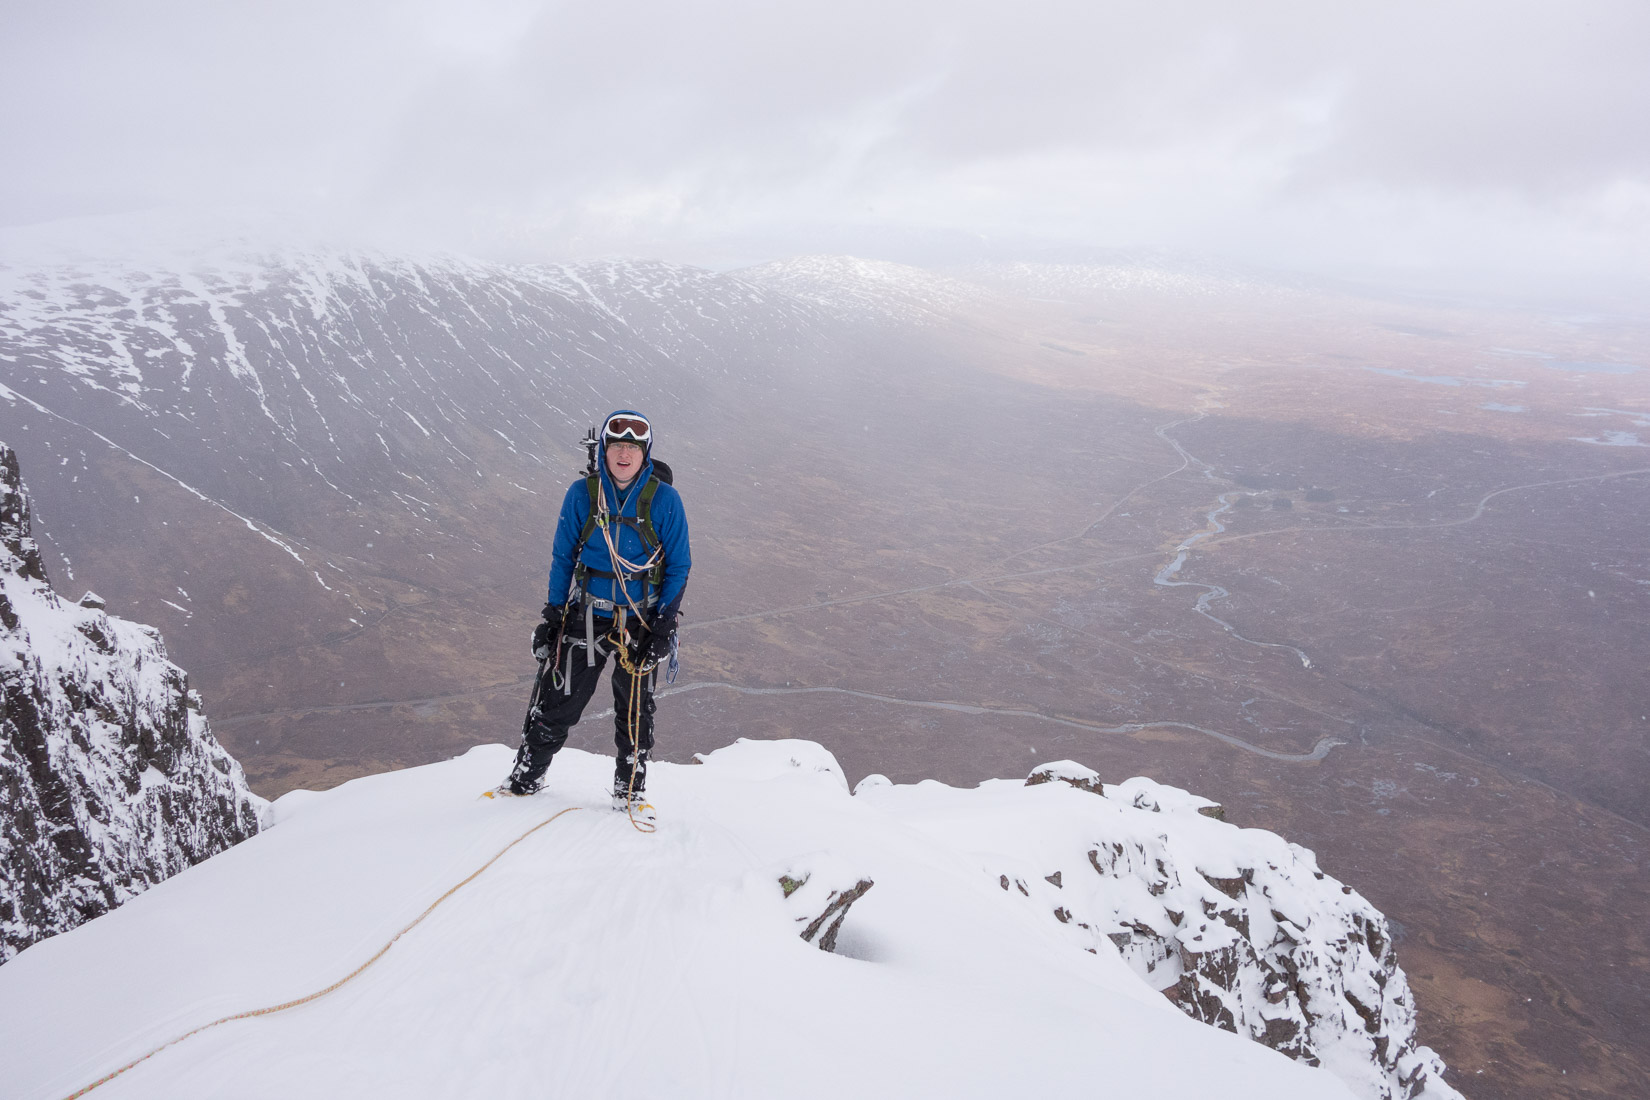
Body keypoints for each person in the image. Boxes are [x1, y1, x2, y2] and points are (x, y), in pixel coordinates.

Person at [504, 410, 691, 808]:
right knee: (557, 703)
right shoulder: (582, 495)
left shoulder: (665, 501)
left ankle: (629, 795)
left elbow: (679, 564)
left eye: (633, 447)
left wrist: (662, 626)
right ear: (605, 451)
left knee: (636, 714)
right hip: (586, 615)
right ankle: (523, 782)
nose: (624, 454)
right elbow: (562, 557)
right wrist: (553, 616)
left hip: (640, 621)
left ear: (645, 454)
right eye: (617, 446)